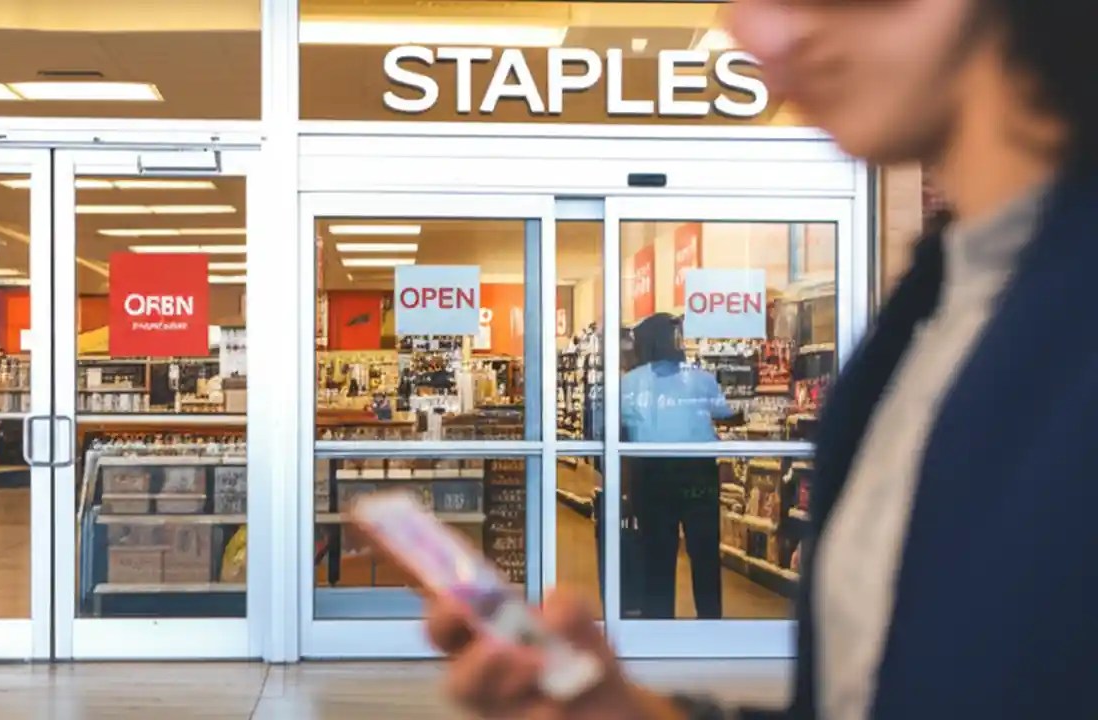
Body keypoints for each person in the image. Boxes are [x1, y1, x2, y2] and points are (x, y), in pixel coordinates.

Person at [425, 0, 1098, 718]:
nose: (758, 31)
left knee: (659, 561)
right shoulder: (923, 321)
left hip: (655, 480)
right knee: (700, 559)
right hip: (694, 478)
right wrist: (635, 711)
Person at [621, 313, 734, 619]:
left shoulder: (630, 383)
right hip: (698, 472)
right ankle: (710, 621)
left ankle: (659, 624)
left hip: (651, 474)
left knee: (657, 554)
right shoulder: (700, 378)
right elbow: (727, 411)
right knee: (704, 552)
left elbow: (621, 427)